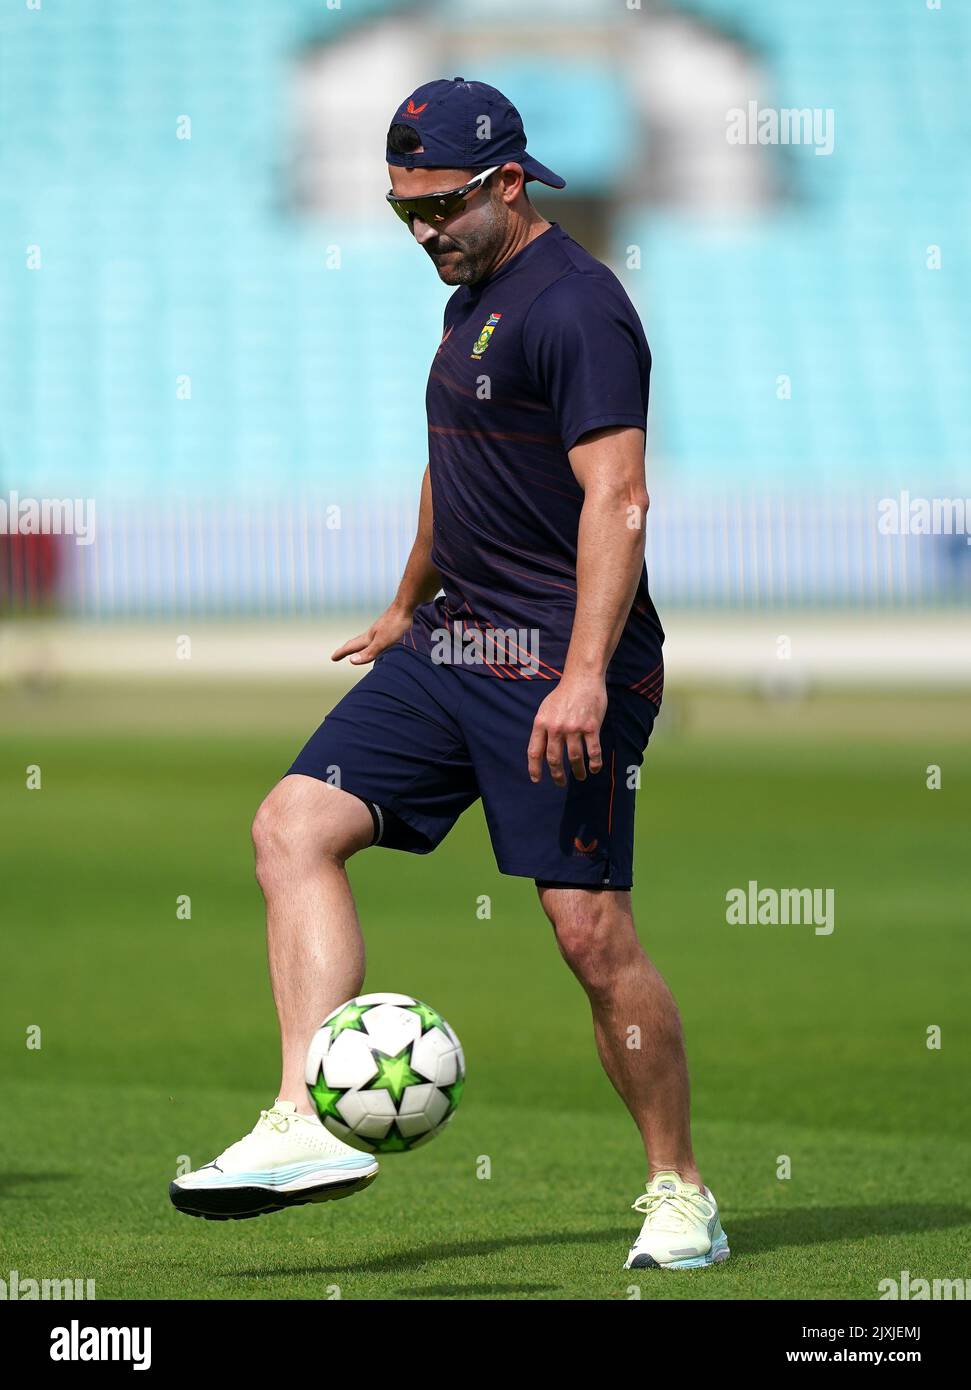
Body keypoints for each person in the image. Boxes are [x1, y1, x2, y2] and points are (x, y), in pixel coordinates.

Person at [170, 77, 729, 1272]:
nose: (421, 233)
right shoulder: (467, 296)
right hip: (452, 642)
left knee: (587, 935)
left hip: (557, 665)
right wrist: (404, 599)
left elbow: (617, 498)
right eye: (401, 211)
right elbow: (454, 460)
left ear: (508, 185)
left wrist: (581, 675)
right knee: (291, 824)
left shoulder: (578, 310)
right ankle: (304, 1119)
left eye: (439, 210)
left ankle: (679, 1191)